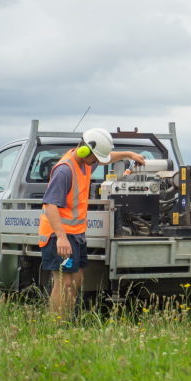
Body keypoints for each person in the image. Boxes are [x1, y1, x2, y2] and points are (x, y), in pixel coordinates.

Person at [41, 127, 146, 318]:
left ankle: (67, 319)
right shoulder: (64, 171)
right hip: (60, 235)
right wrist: (61, 238)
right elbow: (50, 206)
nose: (98, 162)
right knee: (64, 282)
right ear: (84, 150)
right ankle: (56, 324)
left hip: (76, 234)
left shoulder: (86, 162)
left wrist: (129, 154)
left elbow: (109, 156)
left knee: (77, 280)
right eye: (96, 158)